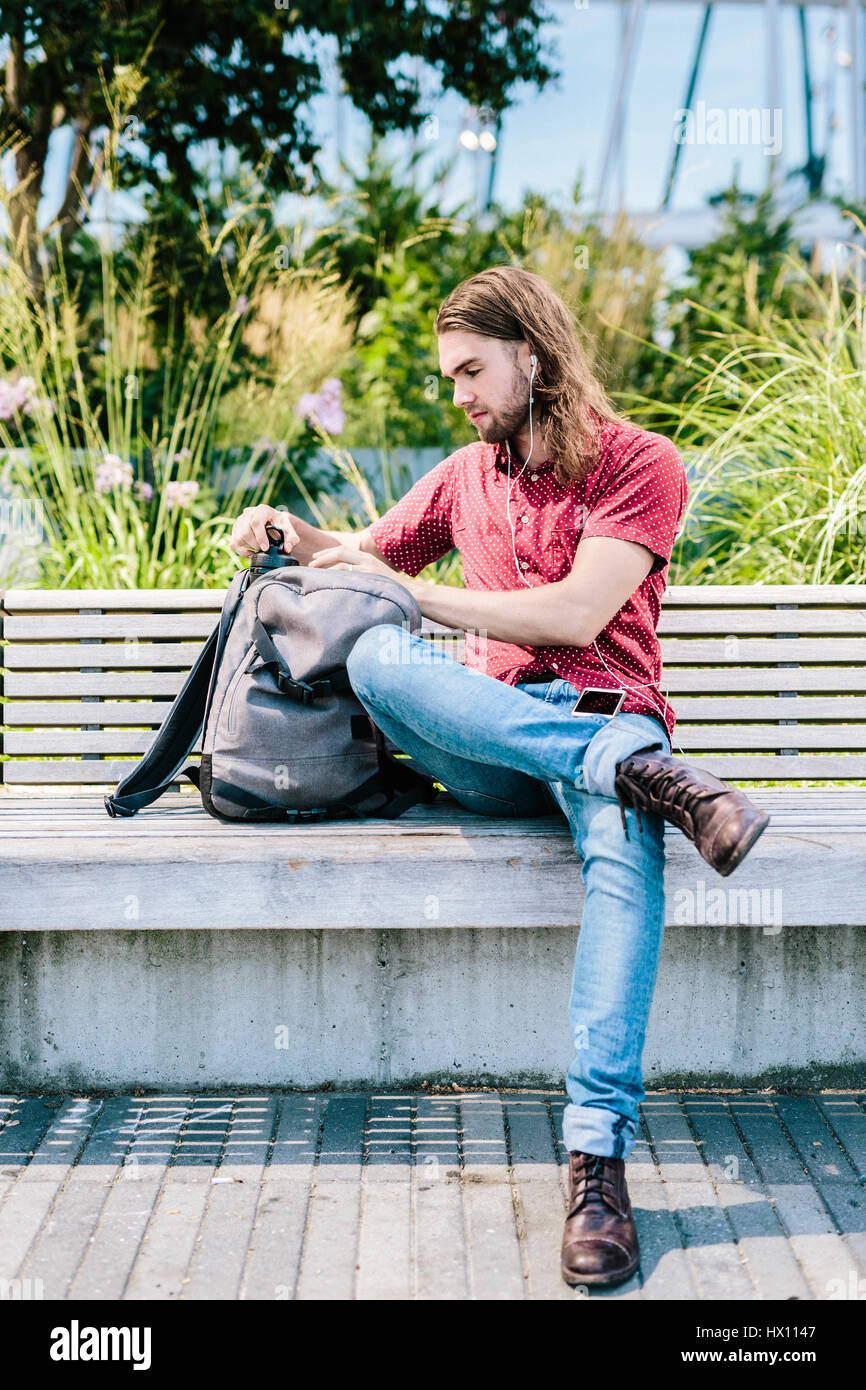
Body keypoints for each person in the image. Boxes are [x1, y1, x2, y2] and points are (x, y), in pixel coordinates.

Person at [229, 265, 770, 1289]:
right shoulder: (462, 472)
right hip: (499, 749)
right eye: (449, 377)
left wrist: (424, 601)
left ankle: (596, 1165)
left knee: (619, 850)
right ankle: (644, 776)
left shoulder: (639, 462)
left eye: (472, 369)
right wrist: (283, 530)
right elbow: (358, 560)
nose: (460, 393)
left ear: (531, 349)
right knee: (380, 656)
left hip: (601, 713)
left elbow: (575, 618)